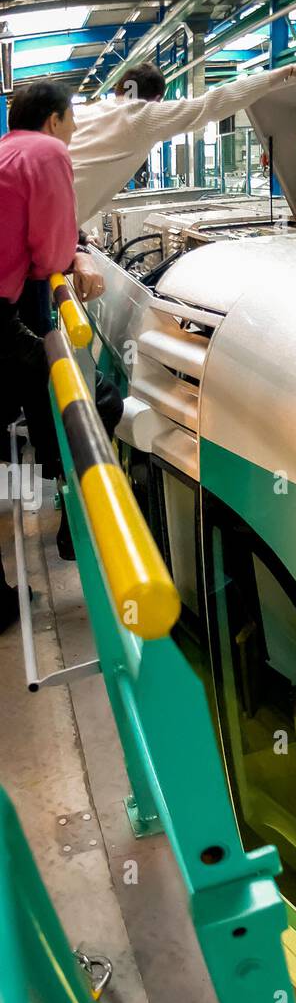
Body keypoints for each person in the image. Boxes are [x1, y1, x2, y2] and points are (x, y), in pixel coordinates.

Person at [0, 80, 79, 631]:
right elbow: (50, 253)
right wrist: (77, 258)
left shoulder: (5, 150)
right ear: (53, 120)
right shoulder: (48, 152)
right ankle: (76, 518)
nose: (74, 131)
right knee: (85, 397)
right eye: (72, 119)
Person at [71, 58, 296, 227]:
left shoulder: (85, 112)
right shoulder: (140, 115)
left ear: (118, 87)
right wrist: (283, 73)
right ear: (158, 98)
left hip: (41, 214)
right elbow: (210, 105)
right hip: (48, 227)